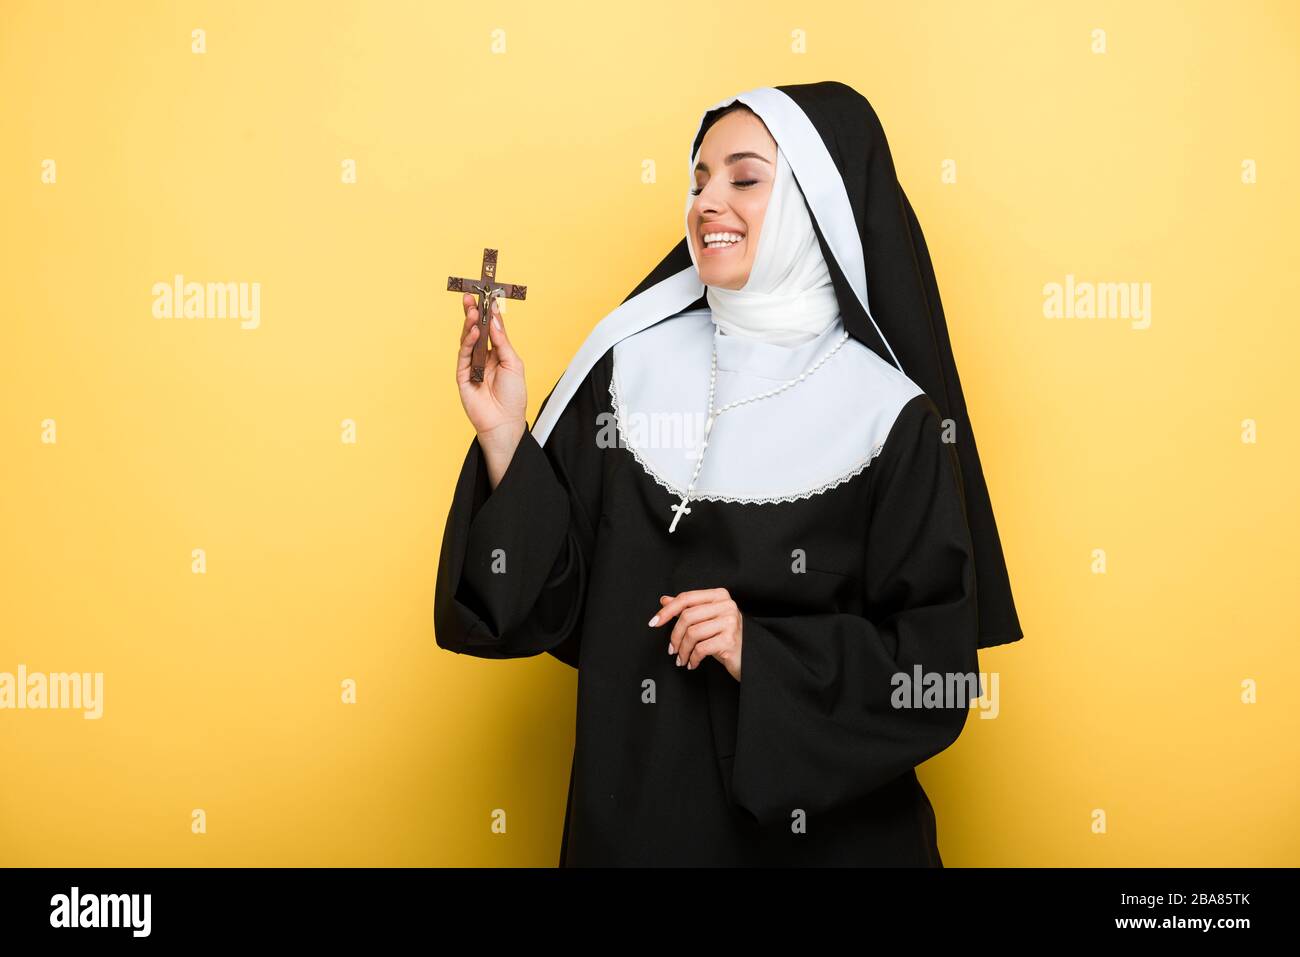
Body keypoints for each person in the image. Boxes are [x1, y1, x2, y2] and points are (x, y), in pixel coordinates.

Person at [435, 81, 1024, 866]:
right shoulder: (627, 369)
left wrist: (762, 651)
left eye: (744, 178)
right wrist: (506, 434)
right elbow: (547, 600)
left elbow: (936, 678)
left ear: (813, 203)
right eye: (698, 179)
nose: (708, 202)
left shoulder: (890, 413)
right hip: (640, 823)